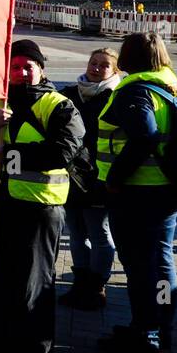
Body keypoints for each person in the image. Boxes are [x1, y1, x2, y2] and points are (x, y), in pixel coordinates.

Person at [0, 39, 84, 353]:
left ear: (41, 69)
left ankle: (34, 347)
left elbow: (65, 150)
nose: (22, 72)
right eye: (15, 67)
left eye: (29, 66)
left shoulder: (58, 105)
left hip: (38, 208)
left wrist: (12, 156)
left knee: (32, 279)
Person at [96, 32, 177, 353]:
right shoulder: (171, 87)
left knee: (138, 266)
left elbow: (145, 136)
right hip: (169, 190)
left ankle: (144, 331)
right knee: (162, 261)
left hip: (139, 193)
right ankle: (160, 327)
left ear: (128, 57)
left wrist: (115, 179)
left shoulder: (135, 91)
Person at [57, 48, 120, 310]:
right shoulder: (70, 93)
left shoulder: (115, 96)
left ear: (114, 71)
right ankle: (80, 282)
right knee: (76, 231)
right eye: (93, 63)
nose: (95, 68)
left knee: (99, 232)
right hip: (71, 176)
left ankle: (97, 286)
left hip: (99, 177)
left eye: (104, 65)